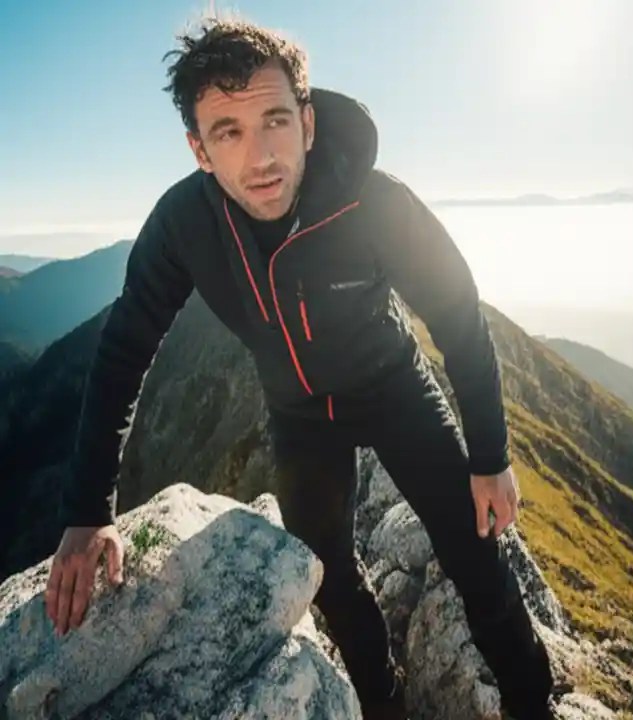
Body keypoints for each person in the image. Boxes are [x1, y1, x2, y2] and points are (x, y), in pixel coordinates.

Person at [42, 18, 554, 720]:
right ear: (199, 149)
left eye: (276, 120)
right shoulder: (184, 226)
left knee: (476, 561)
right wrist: (86, 509)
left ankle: (534, 704)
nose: (261, 157)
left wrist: (490, 455)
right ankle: (382, 704)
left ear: (308, 123)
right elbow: (125, 347)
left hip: (394, 386)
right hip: (300, 414)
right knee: (328, 577)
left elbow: (460, 316)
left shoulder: (376, 202)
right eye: (228, 132)